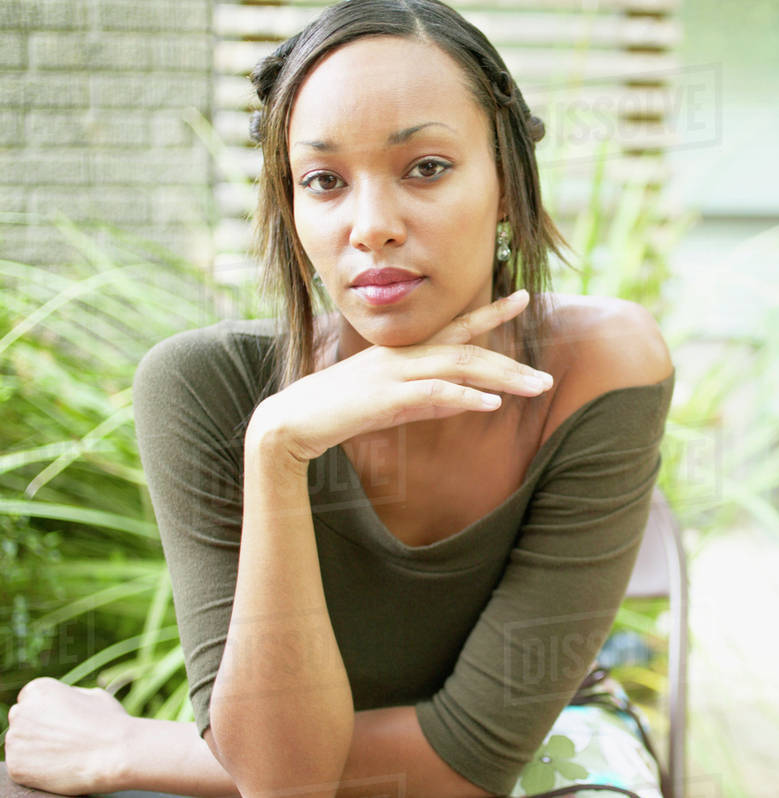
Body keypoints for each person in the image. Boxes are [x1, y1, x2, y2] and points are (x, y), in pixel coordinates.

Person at [0, 1, 675, 797]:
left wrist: (131, 747)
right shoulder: (203, 385)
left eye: (426, 166)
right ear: (291, 210)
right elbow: (283, 782)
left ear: (505, 185)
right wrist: (277, 448)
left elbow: (477, 755)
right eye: (323, 181)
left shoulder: (600, 366)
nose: (371, 225)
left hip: (550, 743)